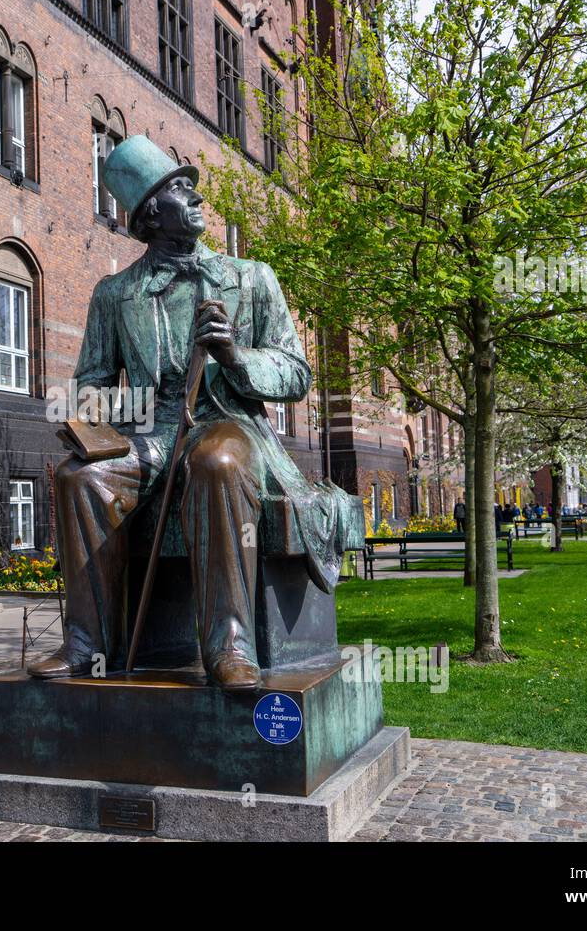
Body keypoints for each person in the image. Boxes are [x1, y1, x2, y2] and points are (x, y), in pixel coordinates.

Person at [27, 135, 362, 691]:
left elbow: (297, 373)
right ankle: (88, 644)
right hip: (150, 436)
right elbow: (93, 382)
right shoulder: (116, 294)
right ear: (152, 213)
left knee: (218, 462)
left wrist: (234, 355)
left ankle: (230, 647)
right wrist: (88, 420)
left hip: (231, 426)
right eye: (183, 190)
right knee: (80, 478)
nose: (199, 198)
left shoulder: (251, 279)